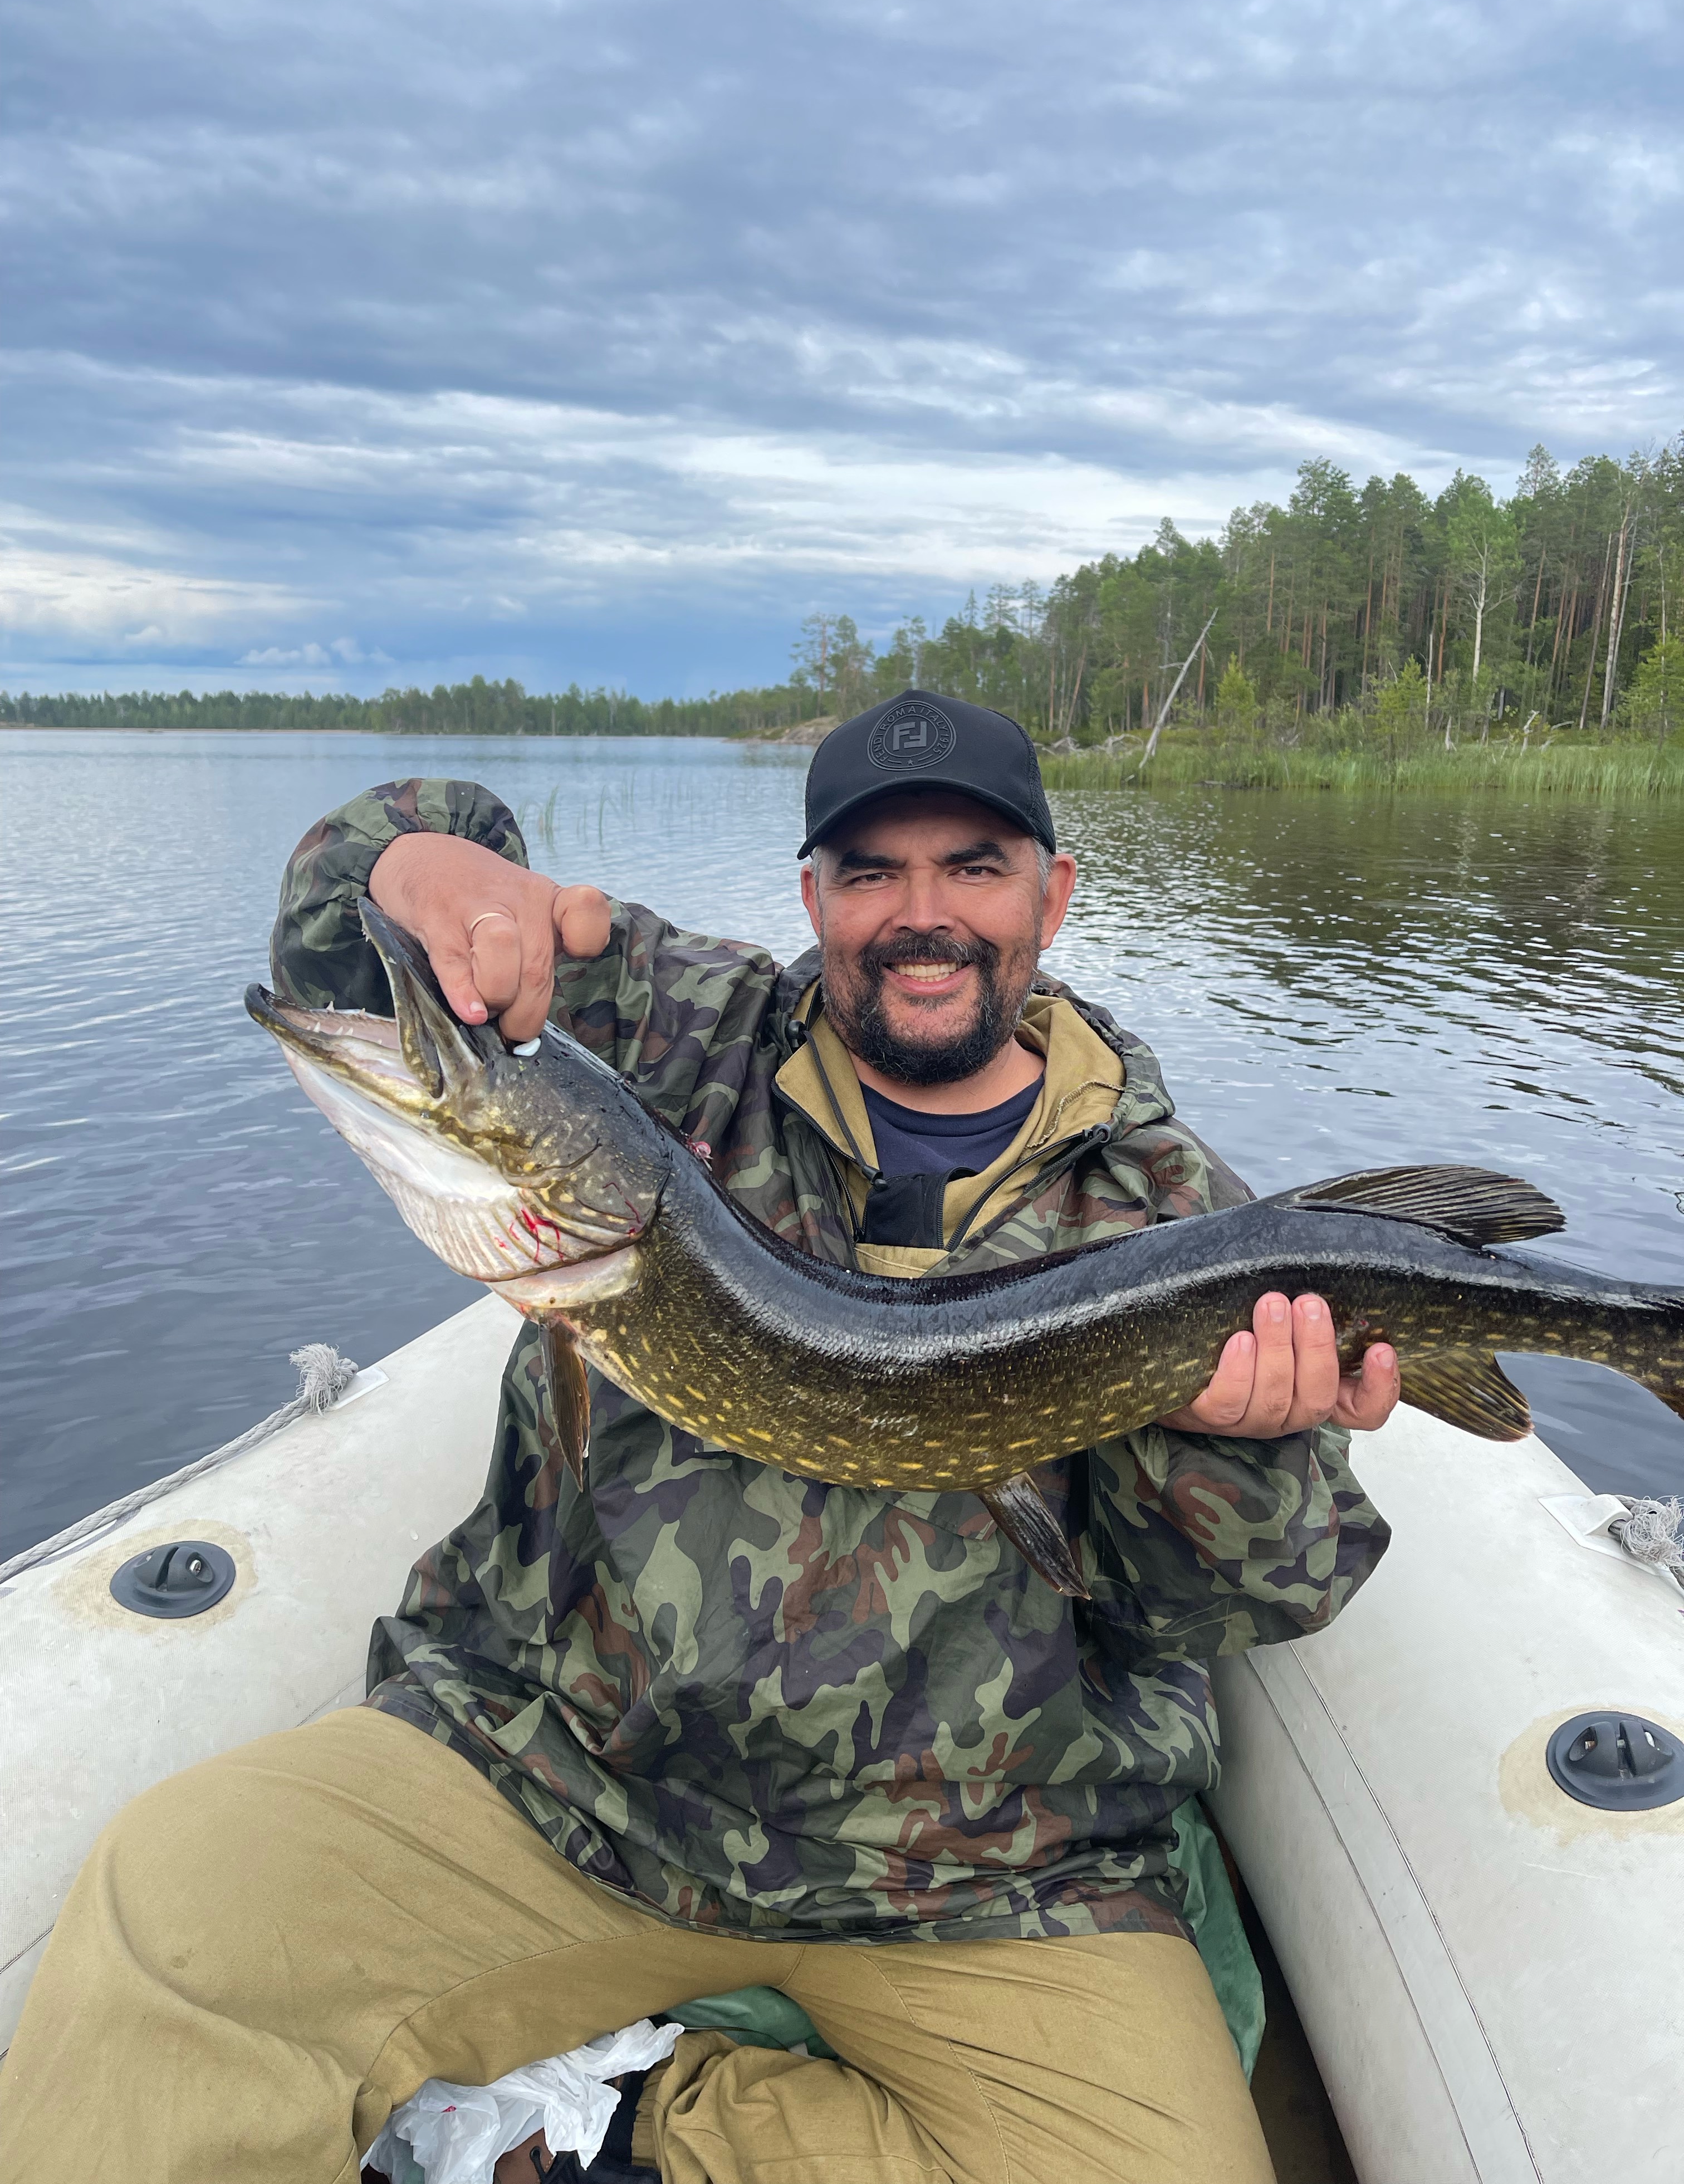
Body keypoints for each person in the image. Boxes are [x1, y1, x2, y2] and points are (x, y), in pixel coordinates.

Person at [0, 690, 1398, 2184]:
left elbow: (1259, 1603)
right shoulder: (686, 1027)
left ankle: (641, 2114)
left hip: (987, 1872)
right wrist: (419, 863)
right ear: (813, 895)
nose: (922, 917)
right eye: (871, 873)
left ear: (1053, 893)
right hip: (558, 1778)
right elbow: (353, 938)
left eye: (975, 866)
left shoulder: (1179, 1213)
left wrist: (1239, 1445)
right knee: (170, 1919)